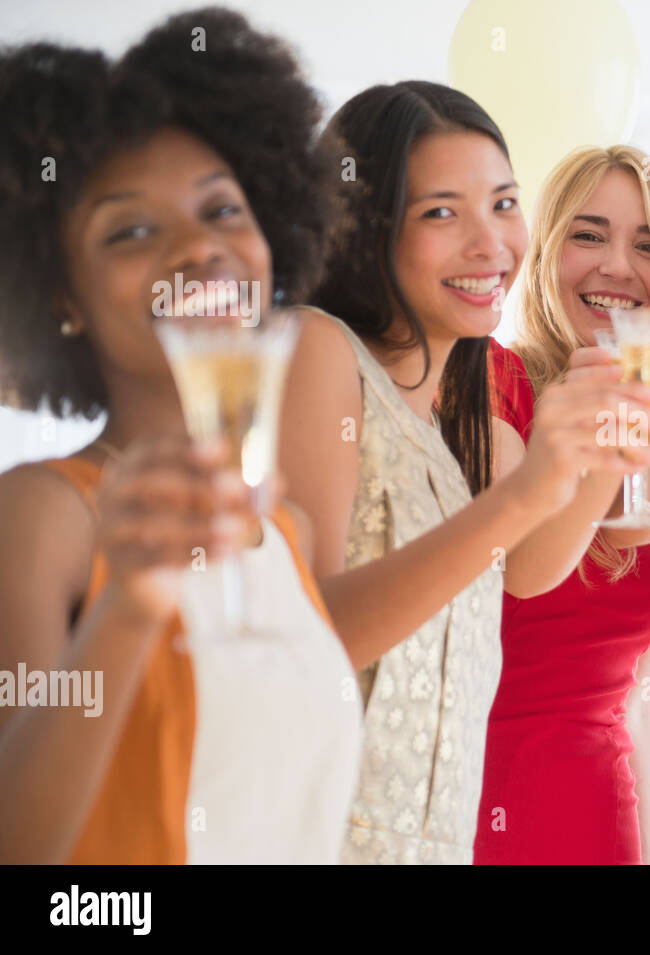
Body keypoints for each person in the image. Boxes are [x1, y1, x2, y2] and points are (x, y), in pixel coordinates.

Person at [0, 9, 362, 864]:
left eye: (224, 209)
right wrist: (127, 607)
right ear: (61, 295)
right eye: (130, 230)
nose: (200, 248)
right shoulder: (42, 515)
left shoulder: (285, 532)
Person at [283, 83, 650, 863]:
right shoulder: (322, 351)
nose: (491, 244)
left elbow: (542, 563)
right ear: (363, 229)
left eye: (503, 203)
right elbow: (309, 634)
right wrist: (525, 493)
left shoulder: (452, 420)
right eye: (441, 212)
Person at [474, 145, 650, 864]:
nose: (617, 266)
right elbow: (524, 561)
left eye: (648, 244)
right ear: (546, 255)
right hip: (481, 808)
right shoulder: (493, 382)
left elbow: (640, 701)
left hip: (604, 822)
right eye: (589, 234)